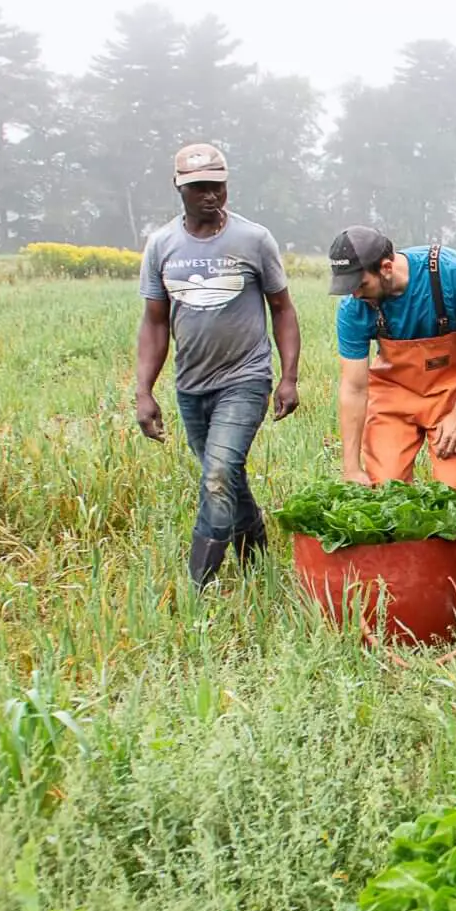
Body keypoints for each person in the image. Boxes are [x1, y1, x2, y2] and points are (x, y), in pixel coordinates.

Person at [133, 143, 300, 586]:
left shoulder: (254, 239)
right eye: (199, 188)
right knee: (224, 475)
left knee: (219, 475)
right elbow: (154, 321)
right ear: (179, 188)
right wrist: (144, 391)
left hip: (245, 379)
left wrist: (288, 377)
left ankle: (198, 585)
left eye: (217, 186)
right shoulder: (162, 245)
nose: (210, 195)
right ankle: (256, 553)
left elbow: (282, 309)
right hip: (190, 386)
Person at [327, 225, 456, 504]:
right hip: (395, 397)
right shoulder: (353, 308)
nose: (354, 294)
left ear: (387, 267)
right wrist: (351, 468)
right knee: (388, 492)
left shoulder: (449, 272)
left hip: (451, 394)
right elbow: (354, 388)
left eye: (361, 284)